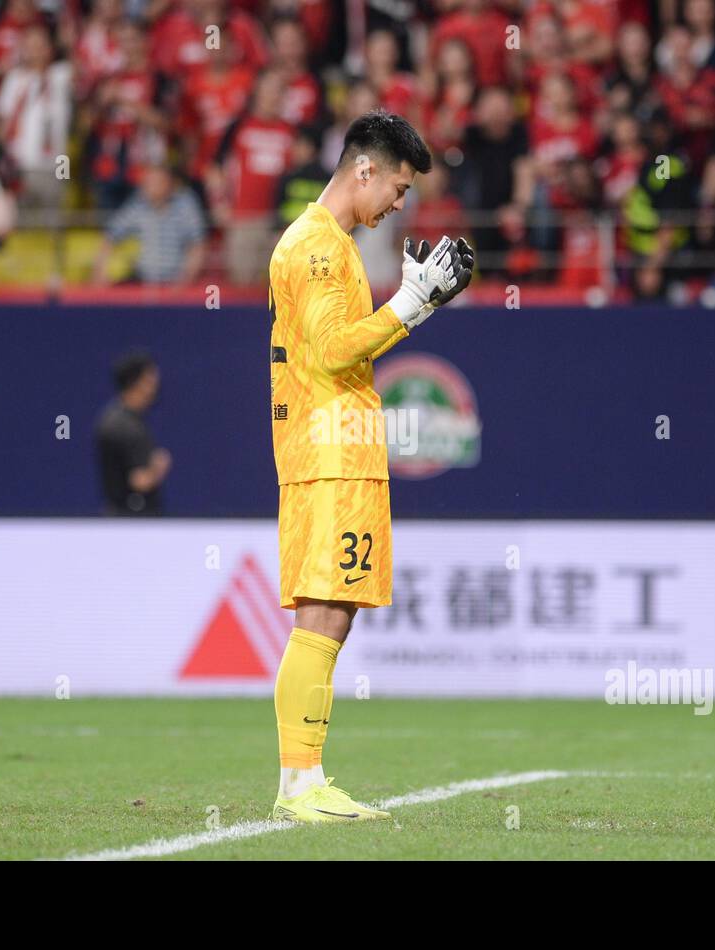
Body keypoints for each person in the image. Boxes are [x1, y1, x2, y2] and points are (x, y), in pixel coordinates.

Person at [266, 109, 473, 823]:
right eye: (398, 188)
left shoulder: (334, 244)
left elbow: (340, 344)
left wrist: (413, 309)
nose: (399, 204)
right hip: (326, 453)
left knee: (335, 613)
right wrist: (411, 304)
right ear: (363, 170)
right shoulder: (319, 248)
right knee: (322, 610)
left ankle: (308, 776)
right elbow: (327, 352)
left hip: (340, 448)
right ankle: (299, 782)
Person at [95, 350, 170, 515]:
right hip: (132, 523)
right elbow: (140, 480)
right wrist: (158, 468)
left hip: (122, 519)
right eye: (149, 380)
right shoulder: (126, 427)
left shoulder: (115, 418)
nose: (154, 387)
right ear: (134, 382)